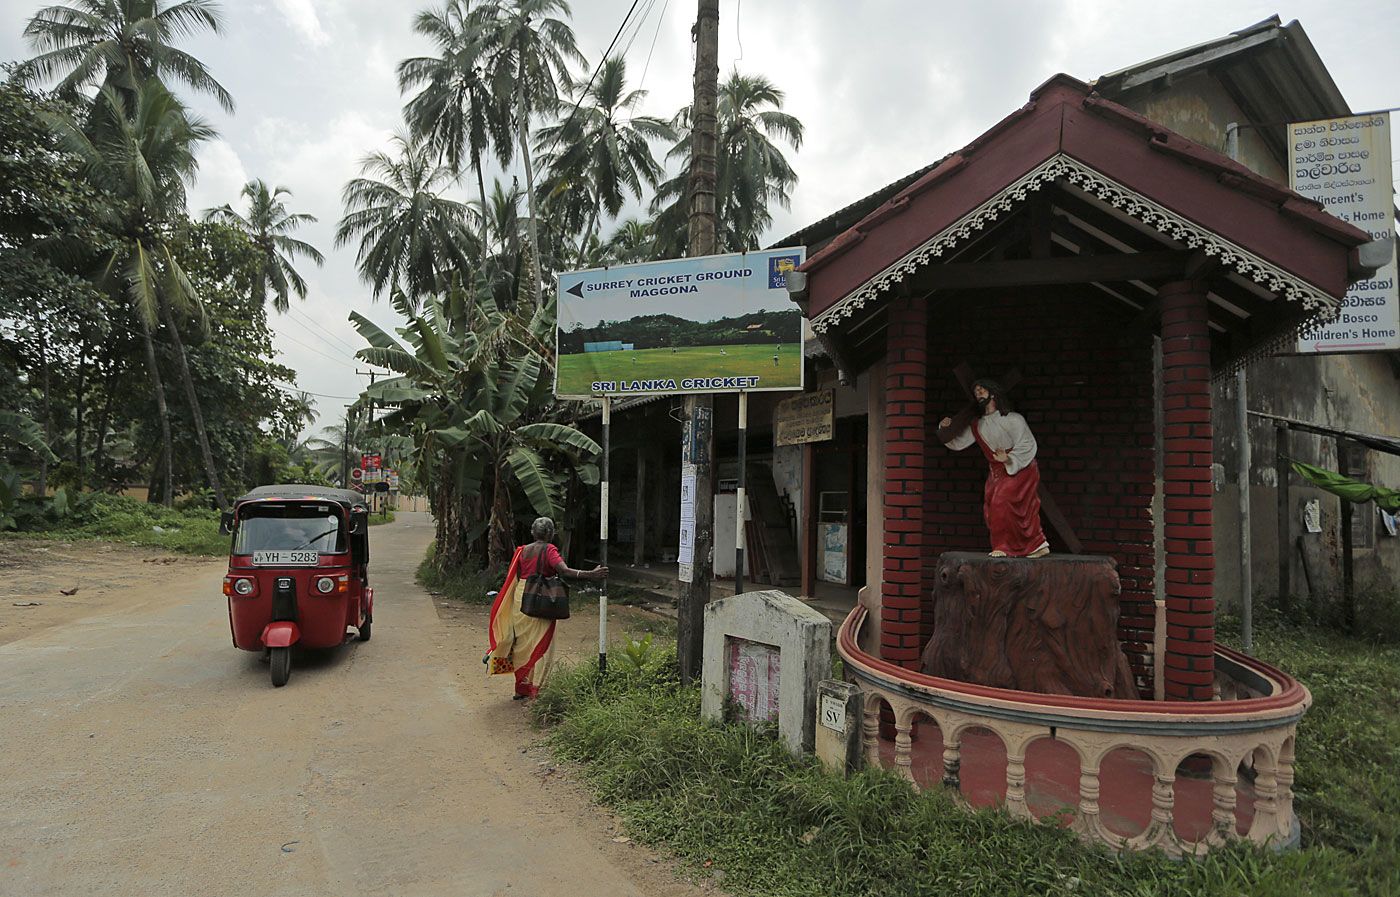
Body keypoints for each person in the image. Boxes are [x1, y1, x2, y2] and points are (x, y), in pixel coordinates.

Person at [485, 517, 607, 699]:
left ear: (533, 533)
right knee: (540, 645)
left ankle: (521, 688)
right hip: (540, 600)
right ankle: (535, 689)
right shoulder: (549, 549)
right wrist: (591, 574)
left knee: (522, 645)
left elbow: (518, 577)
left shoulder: (523, 550)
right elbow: (563, 571)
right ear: (550, 534)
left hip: (521, 599)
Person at [938, 379, 1049, 558]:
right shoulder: (978, 425)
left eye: (982, 390)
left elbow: (1028, 443)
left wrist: (1009, 458)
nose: (978, 394)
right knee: (991, 506)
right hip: (996, 471)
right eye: (976, 392)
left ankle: (1008, 546)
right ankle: (1034, 545)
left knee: (1003, 502)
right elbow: (959, 442)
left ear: (993, 393)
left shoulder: (1013, 419)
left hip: (1020, 468)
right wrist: (944, 429)